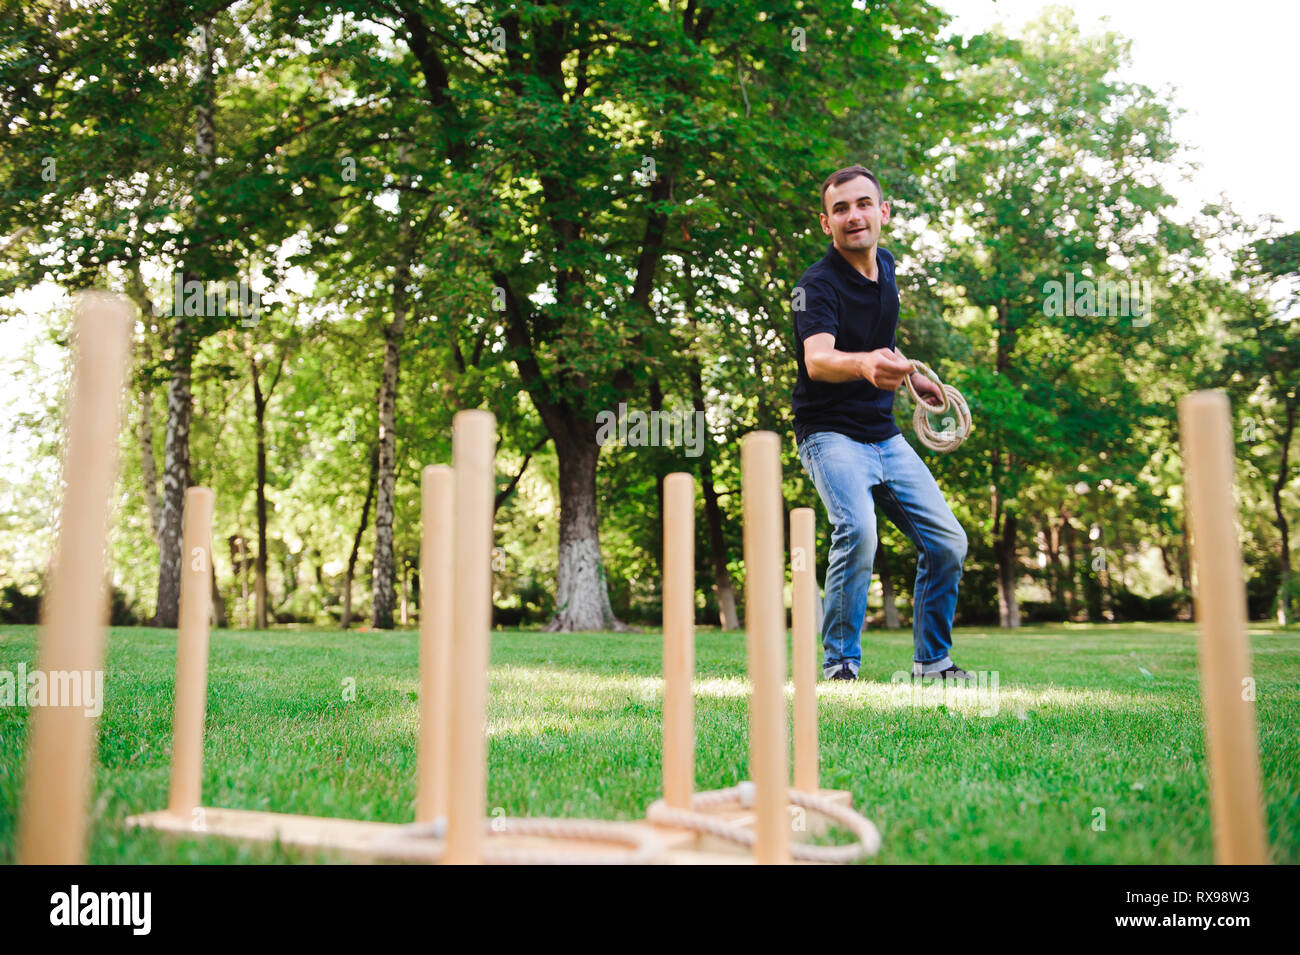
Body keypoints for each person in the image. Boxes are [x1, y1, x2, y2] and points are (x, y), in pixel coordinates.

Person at [792, 164, 971, 683]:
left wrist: (910, 376)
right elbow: (818, 359)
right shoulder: (816, 285)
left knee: (948, 543)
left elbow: (884, 345)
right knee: (858, 530)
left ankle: (932, 663)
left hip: (884, 434)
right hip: (829, 433)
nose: (854, 216)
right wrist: (865, 363)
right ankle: (841, 663)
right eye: (840, 209)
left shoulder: (887, 268)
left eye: (863, 204)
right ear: (826, 223)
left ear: (883, 211)